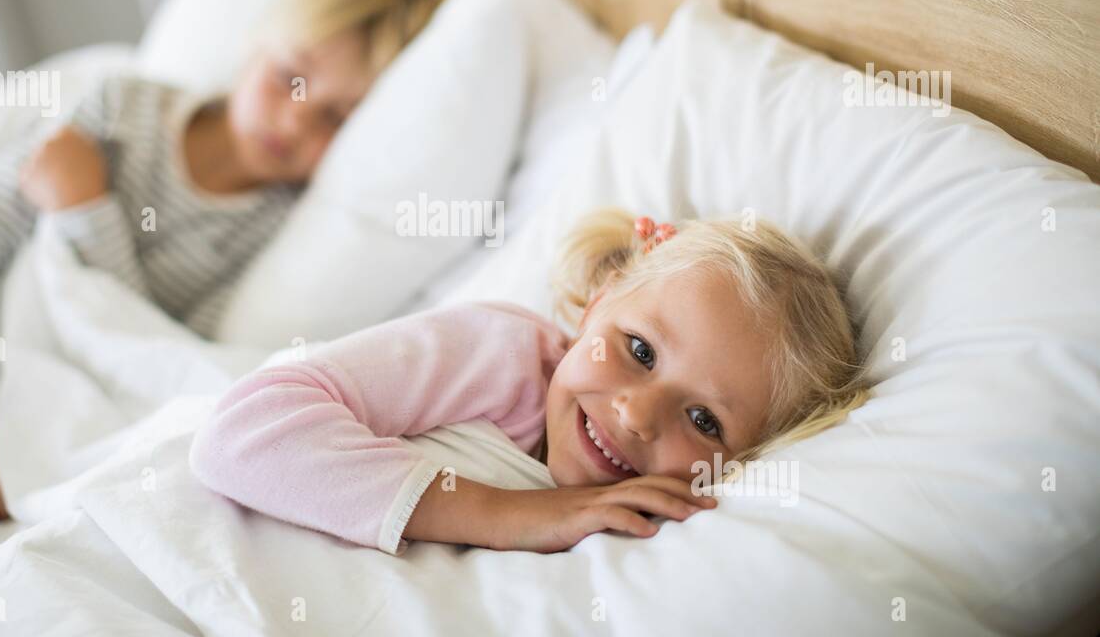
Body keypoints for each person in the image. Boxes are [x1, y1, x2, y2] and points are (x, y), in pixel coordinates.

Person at [0, 0, 457, 520]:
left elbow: (145, 348)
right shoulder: (119, 110)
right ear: (256, 45)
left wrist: (85, 211)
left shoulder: (273, 237)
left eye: (335, 118)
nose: (295, 123)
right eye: (286, 77)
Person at [189, 207, 871, 555]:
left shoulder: (674, 534)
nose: (636, 415)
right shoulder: (500, 355)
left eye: (705, 422)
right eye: (638, 348)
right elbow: (242, 431)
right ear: (600, 300)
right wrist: (515, 514)